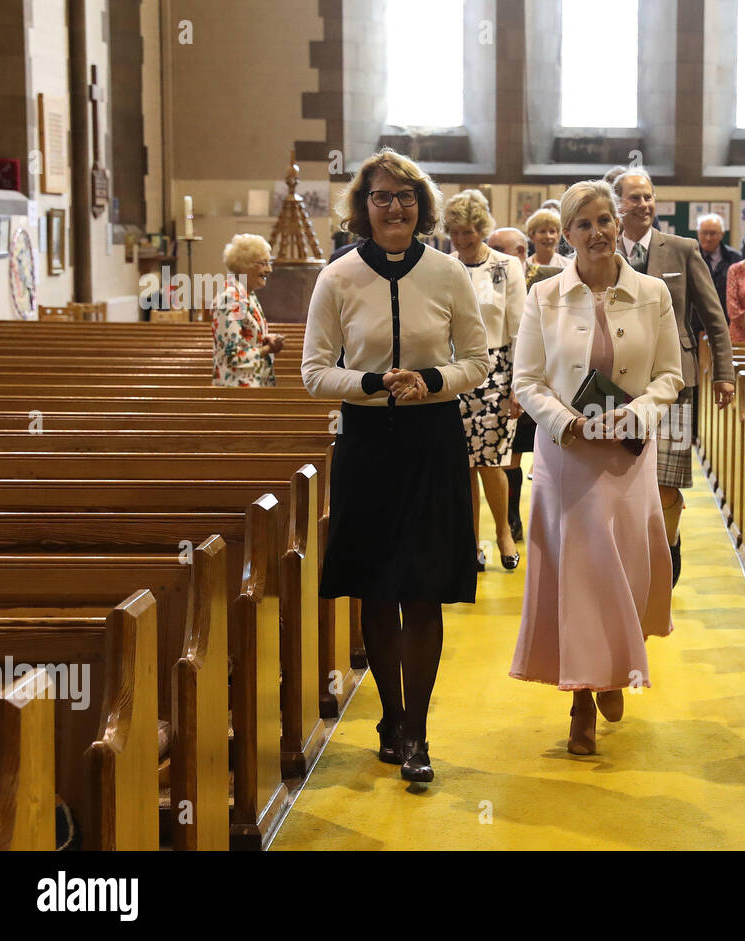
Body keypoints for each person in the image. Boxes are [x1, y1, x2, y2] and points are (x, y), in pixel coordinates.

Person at [302, 148, 490, 784]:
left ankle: (417, 731)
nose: (395, 207)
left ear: (422, 206)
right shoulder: (338, 278)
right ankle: (388, 714)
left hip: (431, 441)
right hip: (368, 443)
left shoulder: (447, 273)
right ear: (364, 206)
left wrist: (431, 380)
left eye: (406, 197)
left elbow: (479, 360)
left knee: (424, 588)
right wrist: (376, 383)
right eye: (382, 196)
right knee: (378, 587)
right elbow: (313, 373)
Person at [510, 179, 683, 755]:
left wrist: (637, 413)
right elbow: (527, 382)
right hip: (569, 459)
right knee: (577, 579)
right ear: (566, 235)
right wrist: (567, 424)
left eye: (605, 220)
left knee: (626, 572)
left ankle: (614, 669)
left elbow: (669, 375)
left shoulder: (653, 292)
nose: (598, 232)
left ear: (619, 226)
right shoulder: (543, 296)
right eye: (583, 224)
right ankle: (580, 701)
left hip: (627, 458)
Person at [614, 167, 735, 586]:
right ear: (618, 206)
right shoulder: (603, 248)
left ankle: (667, 554)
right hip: (617, 384)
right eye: (634, 198)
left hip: (677, 382)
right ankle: (628, 561)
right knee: (622, 478)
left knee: (666, 480)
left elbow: (713, 317)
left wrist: (724, 373)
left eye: (649, 197)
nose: (644, 205)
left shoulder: (682, 249)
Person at [445, 189, 527, 572]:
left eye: (468, 232)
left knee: (492, 460)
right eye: (454, 233)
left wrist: (518, 385)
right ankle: (469, 541)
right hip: (453, 369)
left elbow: (520, 330)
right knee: (461, 464)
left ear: (481, 229)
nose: (461, 241)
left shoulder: (507, 267)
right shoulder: (442, 267)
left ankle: (503, 533)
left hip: (498, 368)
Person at [488, 227, 562, 543]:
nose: (489, 255)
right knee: (512, 454)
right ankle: (512, 519)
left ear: (520, 252)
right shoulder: (488, 280)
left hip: (546, 380)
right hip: (504, 379)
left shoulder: (548, 278)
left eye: (497, 249)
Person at [212, 234, 284, 387]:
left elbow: (245, 339)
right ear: (244, 265)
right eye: (263, 263)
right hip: (237, 391)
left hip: (253, 385)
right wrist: (268, 349)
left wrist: (265, 339)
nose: (269, 269)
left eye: (269, 263)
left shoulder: (247, 295)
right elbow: (232, 356)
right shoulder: (231, 298)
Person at [695, 212, 741, 319]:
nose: (708, 238)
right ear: (698, 233)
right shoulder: (690, 257)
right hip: (697, 324)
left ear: (722, 234)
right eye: (704, 233)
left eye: (713, 233)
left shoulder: (735, 258)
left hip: (728, 320)